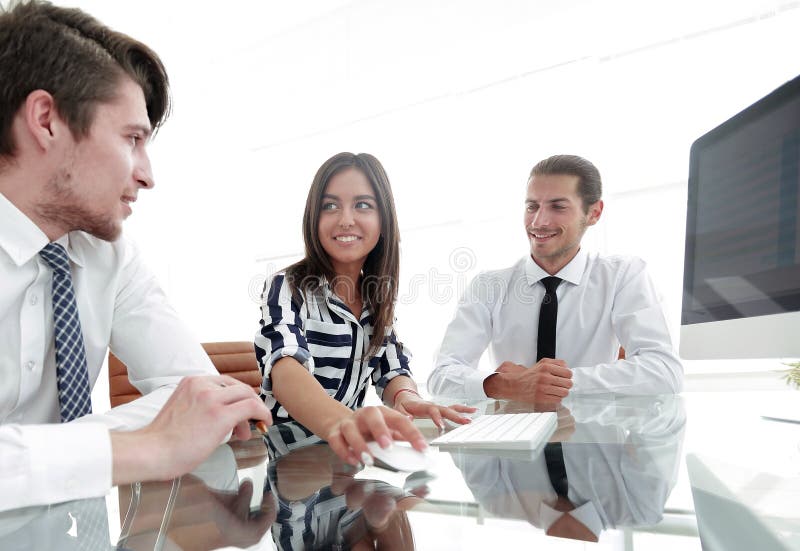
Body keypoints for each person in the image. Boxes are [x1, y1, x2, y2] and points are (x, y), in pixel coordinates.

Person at [0, 0, 271, 513]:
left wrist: (53, 456)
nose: (147, 175)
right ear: (46, 120)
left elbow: (202, 396)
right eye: (132, 139)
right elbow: (175, 427)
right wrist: (141, 446)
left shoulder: (110, 255)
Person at [254, 152, 473, 465]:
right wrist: (346, 422)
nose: (345, 219)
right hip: (288, 460)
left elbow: (393, 369)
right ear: (313, 218)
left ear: (383, 220)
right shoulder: (288, 286)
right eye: (330, 206)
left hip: (344, 462)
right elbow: (286, 370)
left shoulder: (377, 297)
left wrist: (407, 397)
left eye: (362, 205)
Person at [428, 154, 683, 402]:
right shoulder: (488, 286)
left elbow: (664, 371)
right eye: (532, 207)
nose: (539, 221)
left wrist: (554, 384)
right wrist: (506, 385)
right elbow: (441, 376)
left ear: (594, 213)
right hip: (512, 428)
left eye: (558, 207)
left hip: (593, 429)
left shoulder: (623, 275)